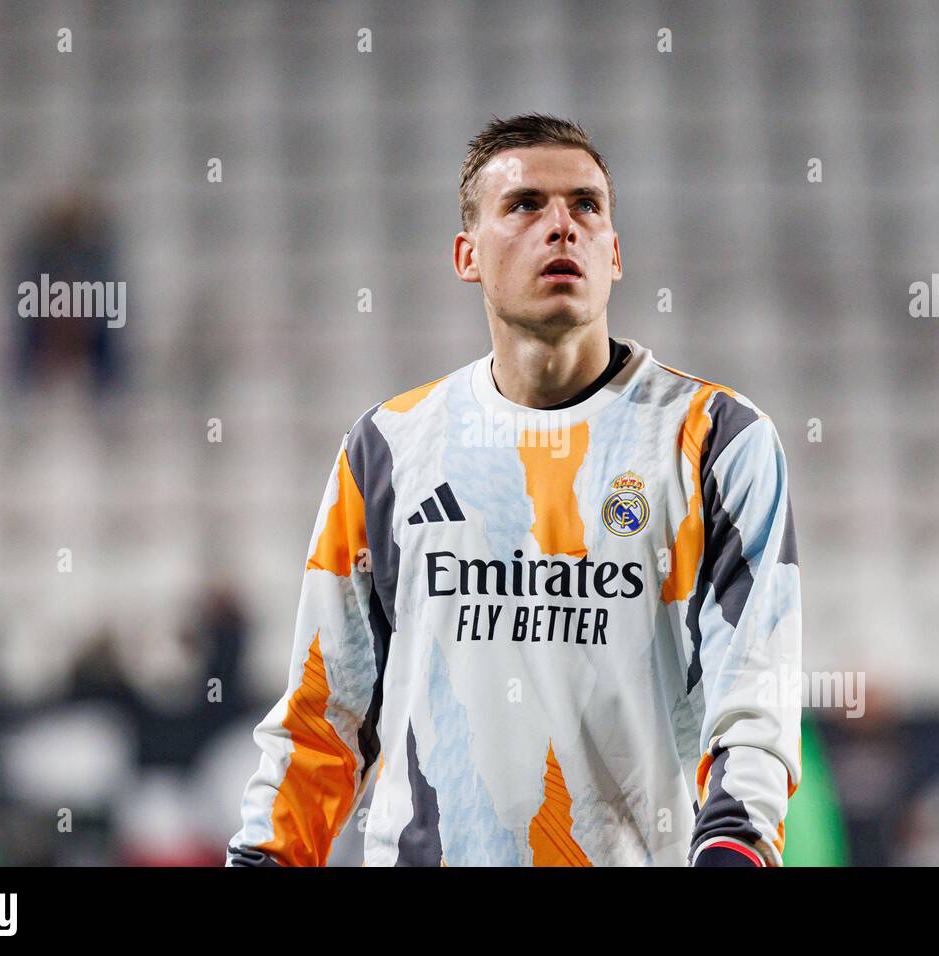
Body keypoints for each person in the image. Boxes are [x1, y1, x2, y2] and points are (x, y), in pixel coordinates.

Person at [227, 114, 802, 867]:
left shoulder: (717, 441)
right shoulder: (391, 448)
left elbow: (755, 702)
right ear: (467, 255)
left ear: (616, 254)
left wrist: (735, 851)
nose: (562, 225)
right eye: (526, 204)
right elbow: (324, 712)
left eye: (587, 206)